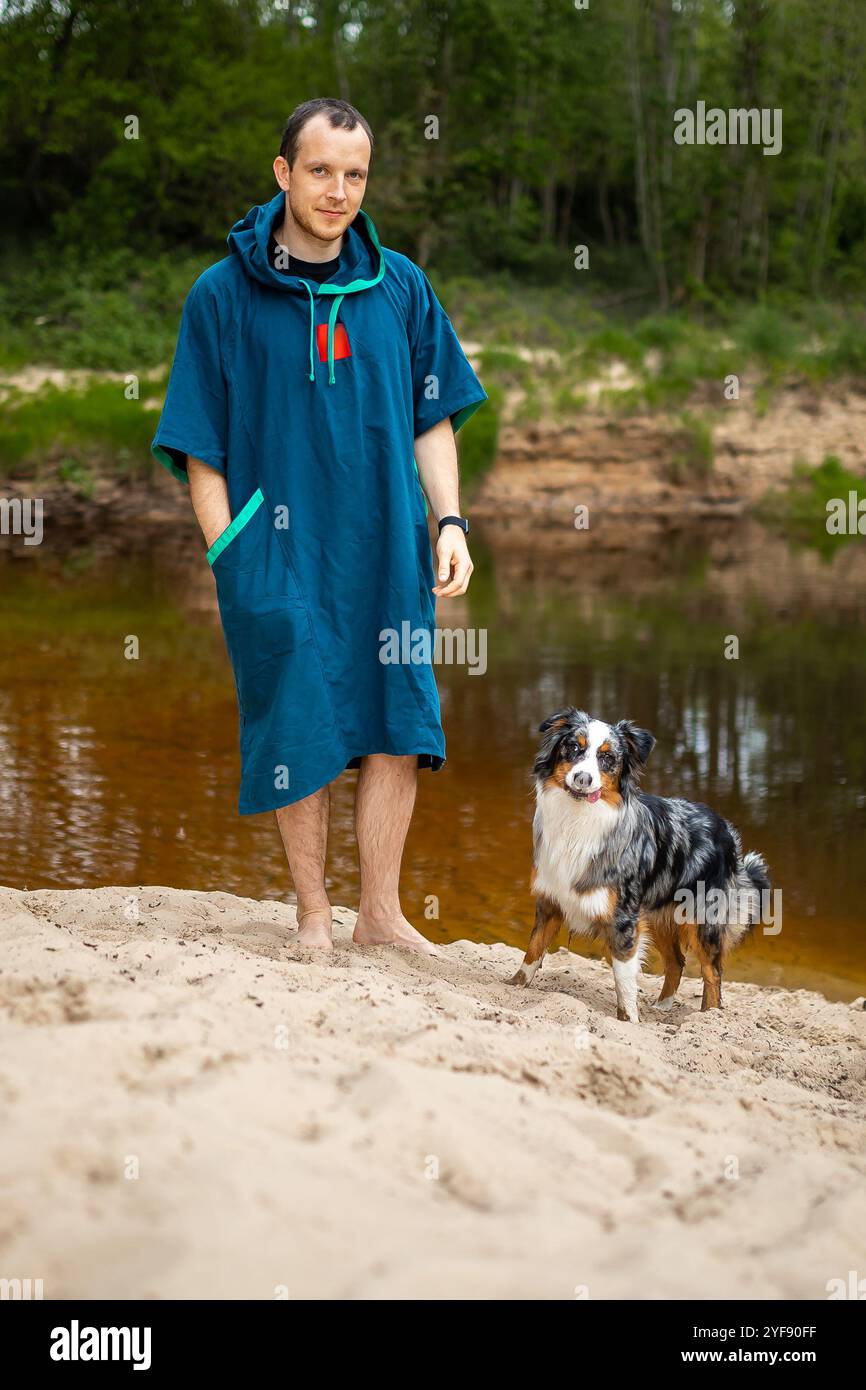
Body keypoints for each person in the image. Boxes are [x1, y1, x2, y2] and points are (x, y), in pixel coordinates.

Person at [151, 98, 487, 956]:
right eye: (321, 171)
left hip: (387, 545)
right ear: (283, 174)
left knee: (397, 720)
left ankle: (379, 913)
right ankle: (311, 915)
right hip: (276, 552)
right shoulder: (222, 295)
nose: (338, 191)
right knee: (298, 723)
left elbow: (433, 417)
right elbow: (200, 445)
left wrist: (448, 520)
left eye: (355, 174)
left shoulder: (400, 285)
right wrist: (230, 556)